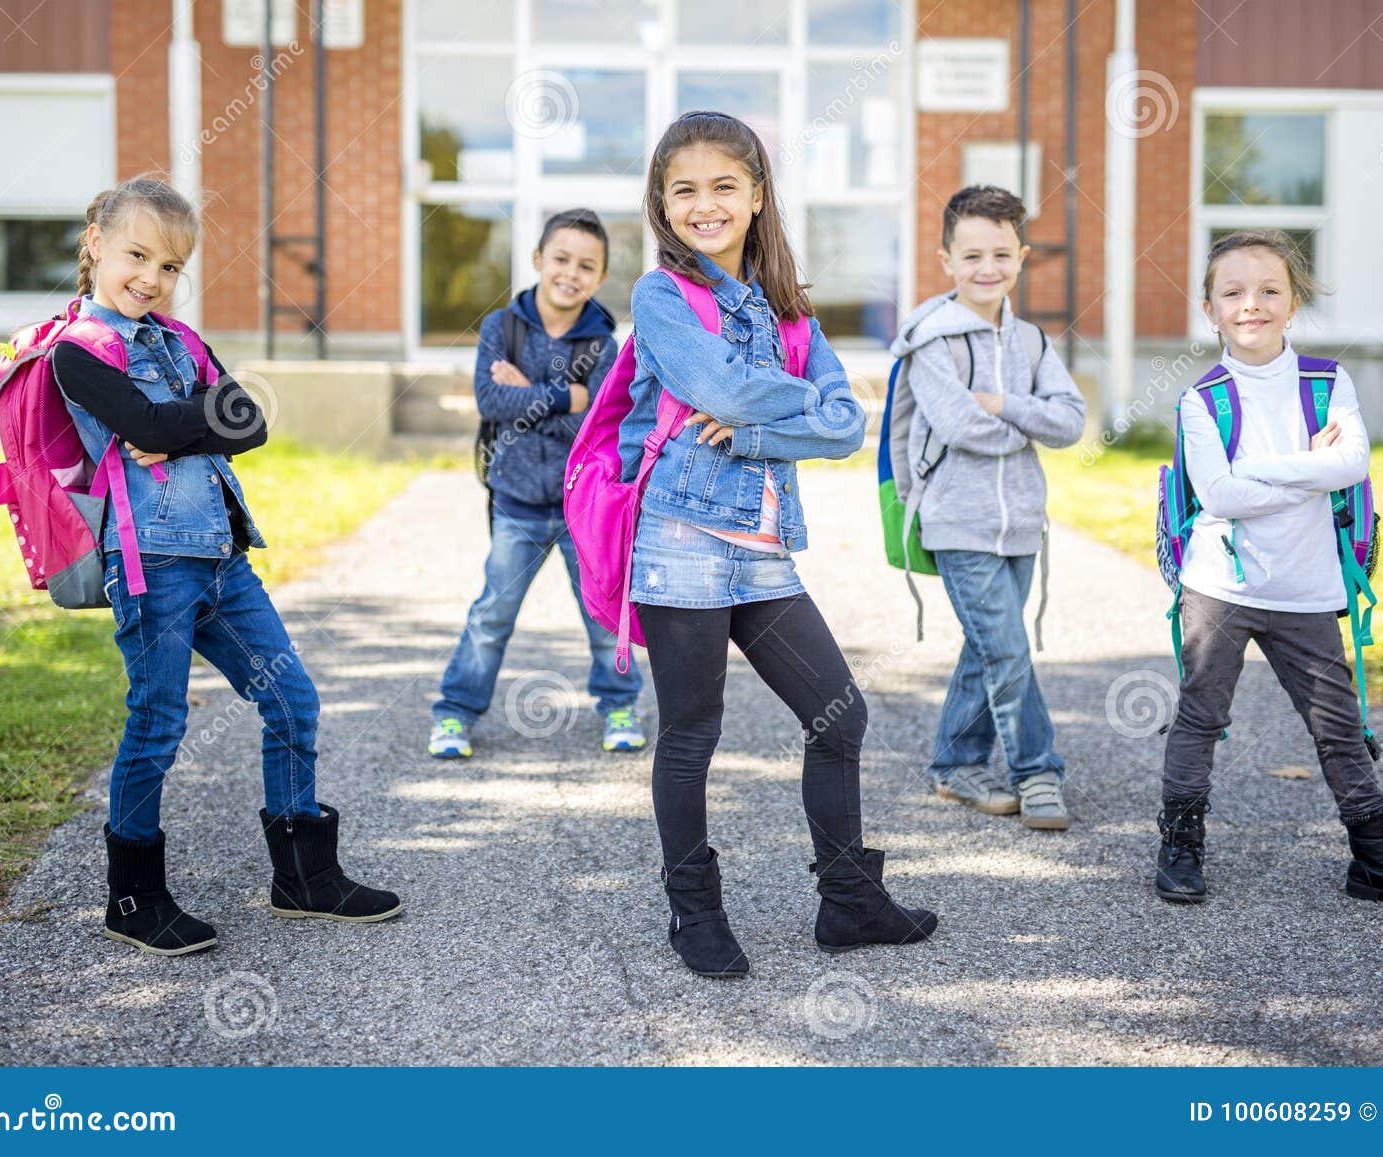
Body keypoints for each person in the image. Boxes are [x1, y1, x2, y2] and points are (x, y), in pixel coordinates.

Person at [623, 111, 937, 978]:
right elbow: (716, 382)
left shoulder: (786, 310)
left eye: (725, 185)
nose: (705, 204)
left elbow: (845, 426)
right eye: (684, 189)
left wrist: (759, 427)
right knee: (692, 735)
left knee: (841, 716)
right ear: (663, 204)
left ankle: (848, 901)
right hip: (680, 543)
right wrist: (795, 400)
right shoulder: (661, 297)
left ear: (758, 196)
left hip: (761, 552)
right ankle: (694, 912)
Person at [52, 176, 401, 955]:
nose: (151, 277)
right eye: (137, 255)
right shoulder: (78, 351)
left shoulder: (182, 341)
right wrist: (193, 421)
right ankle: (134, 898)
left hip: (222, 558)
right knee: (158, 721)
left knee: (293, 699)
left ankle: (304, 878)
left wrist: (180, 429)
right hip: (152, 567)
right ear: (96, 244)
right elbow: (150, 419)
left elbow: (253, 422)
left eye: (171, 265)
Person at [1156, 229, 1383, 916]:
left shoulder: (1329, 381)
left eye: (1269, 290)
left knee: (1338, 726)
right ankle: (1180, 843)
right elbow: (1220, 497)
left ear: (1293, 301)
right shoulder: (1201, 400)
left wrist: (1262, 471)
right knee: (1200, 717)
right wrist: (1308, 471)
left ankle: (1378, 859)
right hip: (1222, 588)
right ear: (1210, 308)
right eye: (1233, 292)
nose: (1252, 305)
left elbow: (1349, 464)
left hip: (1307, 589)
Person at [887, 185, 1085, 830]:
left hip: (1022, 521)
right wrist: (1027, 421)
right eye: (972, 255)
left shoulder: (1030, 341)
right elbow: (960, 426)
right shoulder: (930, 338)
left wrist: (1005, 405)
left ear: (1022, 257)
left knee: (986, 646)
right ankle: (1038, 774)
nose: (987, 268)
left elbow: (1072, 421)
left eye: (1001, 253)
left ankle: (954, 764)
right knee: (1006, 648)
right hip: (956, 519)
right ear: (946, 259)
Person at [429, 210, 648, 759]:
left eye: (586, 266)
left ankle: (619, 705)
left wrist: (529, 391)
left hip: (585, 508)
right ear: (537, 260)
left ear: (599, 279)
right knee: (491, 617)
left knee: (604, 613)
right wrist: (563, 397)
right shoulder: (501, 328)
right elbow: (490, 400)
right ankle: (454, 714)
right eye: (561, 259)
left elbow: (599, 422)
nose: (570, 273)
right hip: (517, 503)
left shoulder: (605, 344)